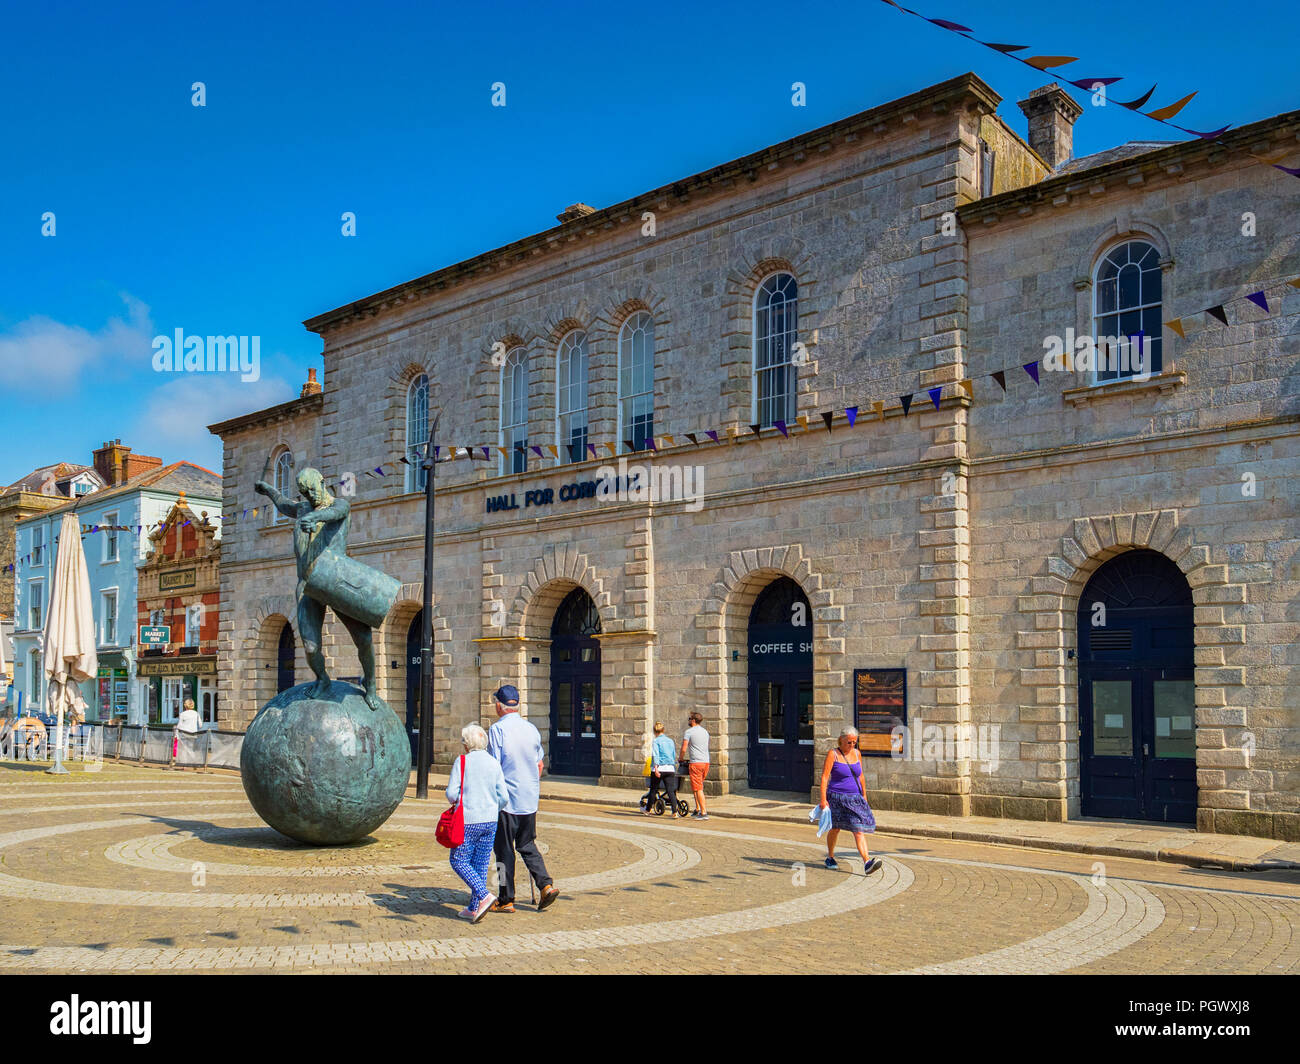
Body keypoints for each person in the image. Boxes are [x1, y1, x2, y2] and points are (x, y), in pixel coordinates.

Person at [254, 465, 385, 711]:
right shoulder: (303, 508)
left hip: (336, 579)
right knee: (311, 646)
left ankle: (371, 684)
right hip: (308, 584)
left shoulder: (340, 505)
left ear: (322, 482)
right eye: (304, 493)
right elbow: (284, 505)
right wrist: (268, 490)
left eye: (312, 490)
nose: (309, 497)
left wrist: (313, 518)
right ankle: (322, 679)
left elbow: (332, 515)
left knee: (364, 638)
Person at [486, 684, 559, 913]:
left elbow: (494, 766)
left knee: (503, 850)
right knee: (527, 844)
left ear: (499, 705)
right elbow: (539, 763)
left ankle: (506, 898)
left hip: (506, 800)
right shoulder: (531, 729)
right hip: (529, 798)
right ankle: (545, 885)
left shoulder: (497, 730)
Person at [446, 723, 510, 923]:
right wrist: (492, 807)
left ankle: (484, 895)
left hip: (468, 820)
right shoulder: (493, 763)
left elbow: (451, 793)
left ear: (467, 744)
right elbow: (504, 797)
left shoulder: (462, 761)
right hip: (490, 820)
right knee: (480, 864)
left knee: (458, 860)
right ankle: (474, 908)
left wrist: (458, 801)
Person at [819, 726, 882, 875]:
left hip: (854, 799)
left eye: (854, 742)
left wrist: (864, 795)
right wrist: (823, 799)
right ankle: (830, 857)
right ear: (841, 740)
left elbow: (860, 776)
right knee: (835, 829)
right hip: (836, 798)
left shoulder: (857, 754)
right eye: (849, 742)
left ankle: (867, 862)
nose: (852, 745)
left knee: (858, 829)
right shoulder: (833, 754)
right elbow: (824, 777)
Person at [644, 722, 681, 818]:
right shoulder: (670, 741)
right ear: (663, 730)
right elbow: (673, 755)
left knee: (653, 789)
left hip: (659, 768)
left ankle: (648, 810)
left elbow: (656, 755)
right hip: (670, 768)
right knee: (670, 791)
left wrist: (656, 768)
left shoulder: (656, 741)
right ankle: (674, 812)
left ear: (654, 731)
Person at [680, 711, 710, 819]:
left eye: (689, 718)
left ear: (693, 720)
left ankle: (704, 812)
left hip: (696, 763)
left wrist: (680, 758)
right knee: (696, 787)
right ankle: (697, 809)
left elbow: (684, 748)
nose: (688, 720)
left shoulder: (689, 732)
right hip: (706, 762)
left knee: (698, 788)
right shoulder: (705, 732)